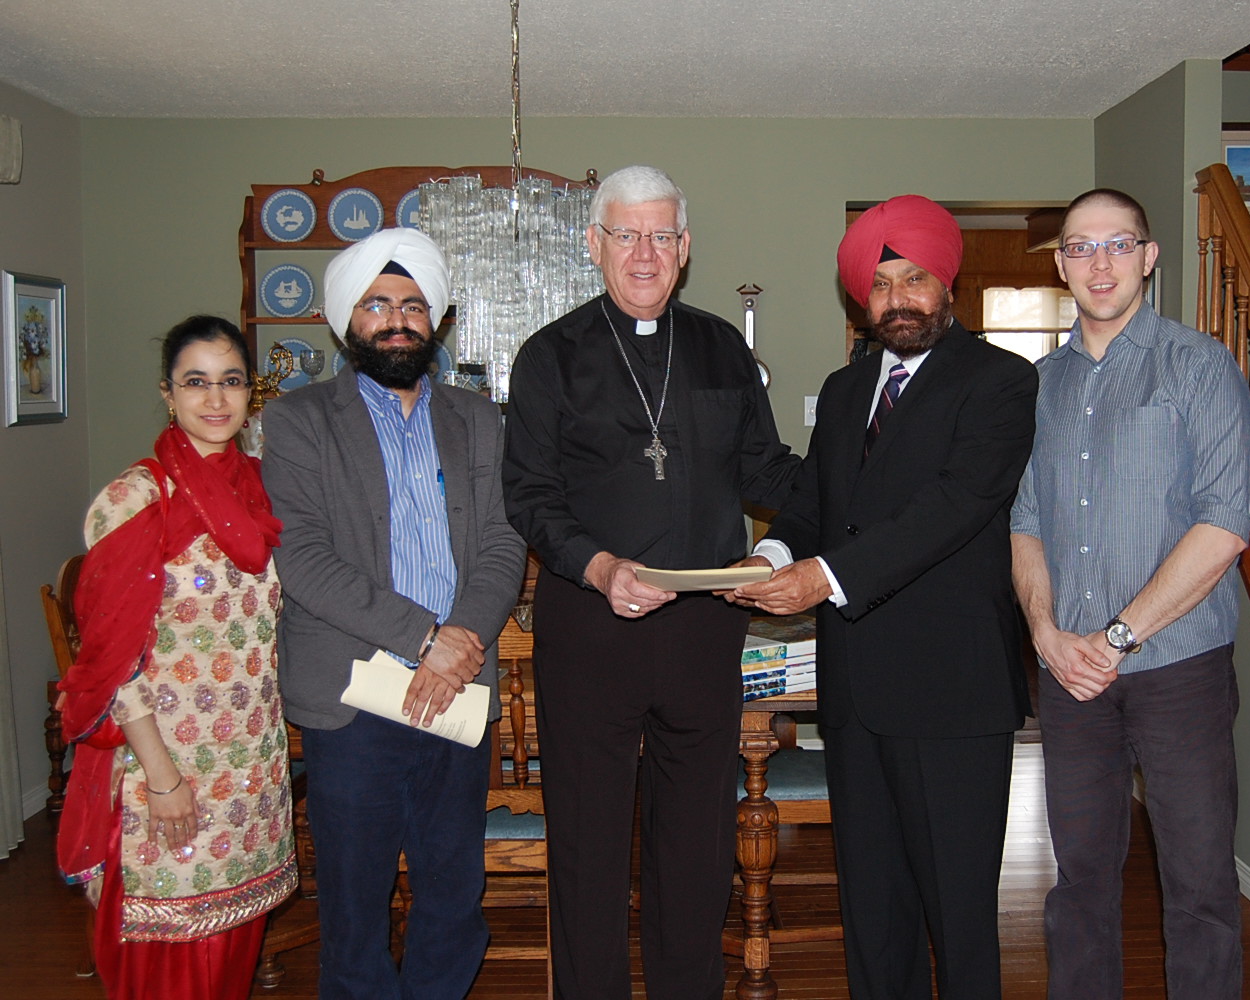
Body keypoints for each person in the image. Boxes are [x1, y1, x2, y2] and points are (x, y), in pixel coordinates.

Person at [502, 164, 799, 999]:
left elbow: (766, 469)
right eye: (625, 234)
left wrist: (855, 487)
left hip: (703, 630)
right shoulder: (549, 356)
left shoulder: (721, 348)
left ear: (686, 248)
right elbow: (527, 494)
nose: (644, 252)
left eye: (661, 235)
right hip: (591, 627)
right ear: (594, 245)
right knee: (590, 842)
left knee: (697, 844)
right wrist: (598, 566)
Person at [731, 194, 1039, 999]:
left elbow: (955, 504)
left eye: (914, 279)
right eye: (879, 285)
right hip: (857, 693)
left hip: (953, 693)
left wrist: (825, 576)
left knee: (959, 914)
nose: (897, 298)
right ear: (859, 302)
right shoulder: (843, 390)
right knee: (874, 910)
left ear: (947, 285)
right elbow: (813, 501)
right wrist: (769, 553)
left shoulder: (1001, 382)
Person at [261, 227, 527, 1000]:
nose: (397, 319)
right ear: (349, 321)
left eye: (413, 305)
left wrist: (459, 643)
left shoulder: (478, 420)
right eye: (377, 305)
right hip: (354, 697)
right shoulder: (300, 419)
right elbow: (303, 557)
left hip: (457, 692)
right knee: (353, 904)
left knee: (452, 894)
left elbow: (502, 543)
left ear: (436, 321)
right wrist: (425, 640)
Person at [1009, 188, 1250, 999]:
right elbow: (1026, 523)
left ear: (1150, 257)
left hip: (1179, 669)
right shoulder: (1039, 384)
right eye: (1081, 247)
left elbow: (1225, 525)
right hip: (1070, 676)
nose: (1100, 262)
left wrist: (1117, 638)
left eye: (1119, 244)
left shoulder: (1199, 365)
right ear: (1061, 265)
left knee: (1199, 885)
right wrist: (1046, 633)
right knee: (1079, 884)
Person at [57, 315, 292, 1000]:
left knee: (229, 961)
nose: (215, 399)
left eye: (230, 381)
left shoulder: (262, 489)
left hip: (249, 772)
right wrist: (161, 776)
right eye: (196, 382)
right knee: (169, 967)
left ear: (252, 393)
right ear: (167, 393)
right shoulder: (134, 500)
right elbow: (108, 660)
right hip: (166, 772)